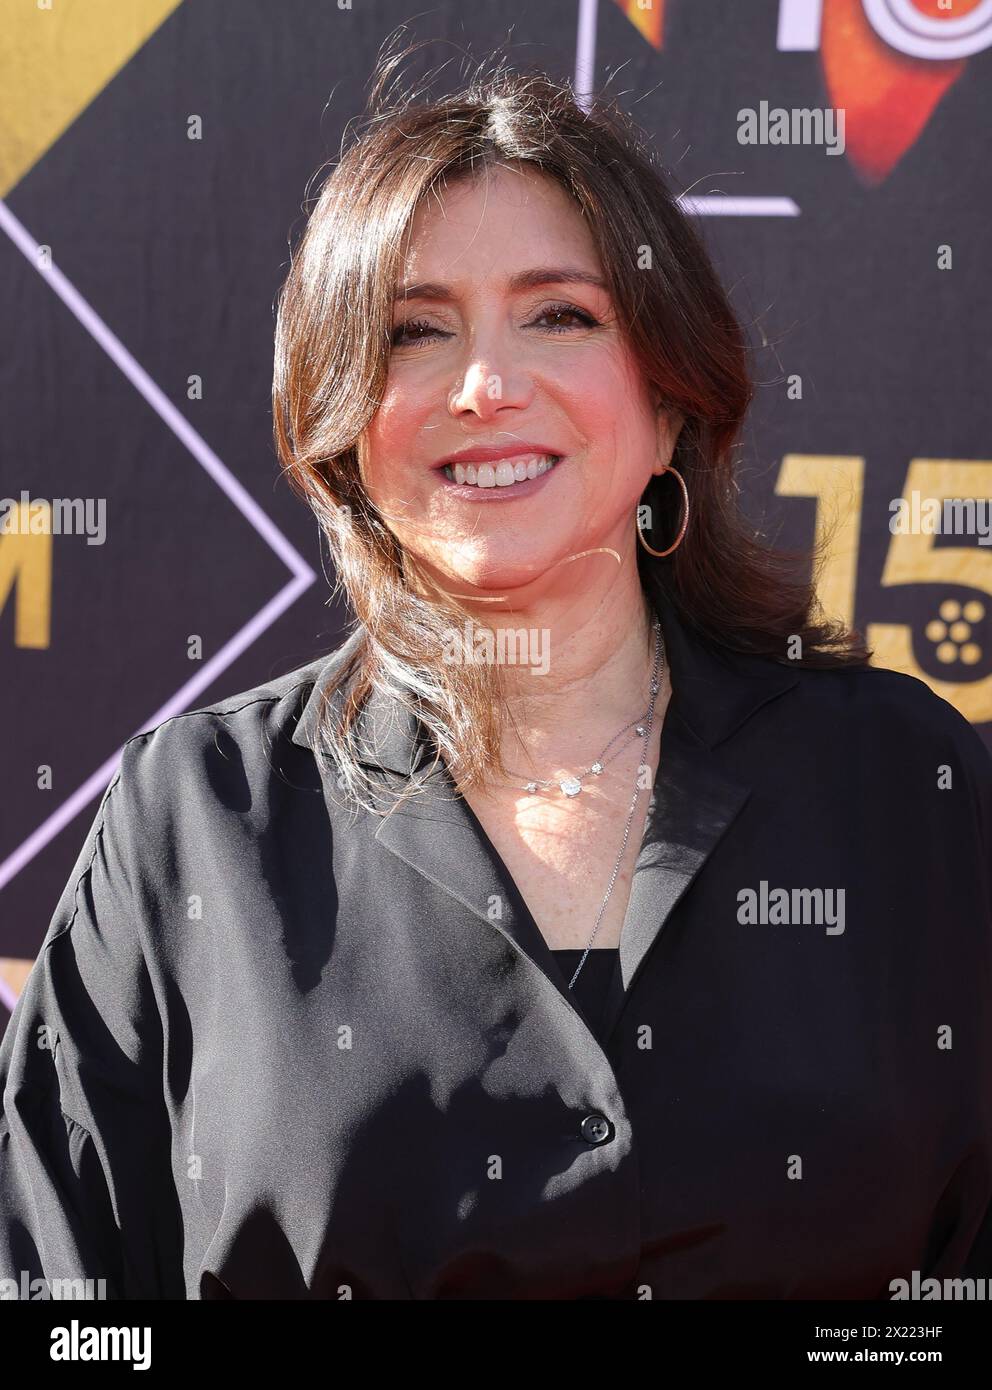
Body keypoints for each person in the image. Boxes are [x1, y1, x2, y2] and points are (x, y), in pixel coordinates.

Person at [2, 55, 990, 1301]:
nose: (483, 386)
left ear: (671, 397)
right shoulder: (191, 823)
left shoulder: (908, 787)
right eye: (414, 331)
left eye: (559, 315)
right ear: (344, 421)